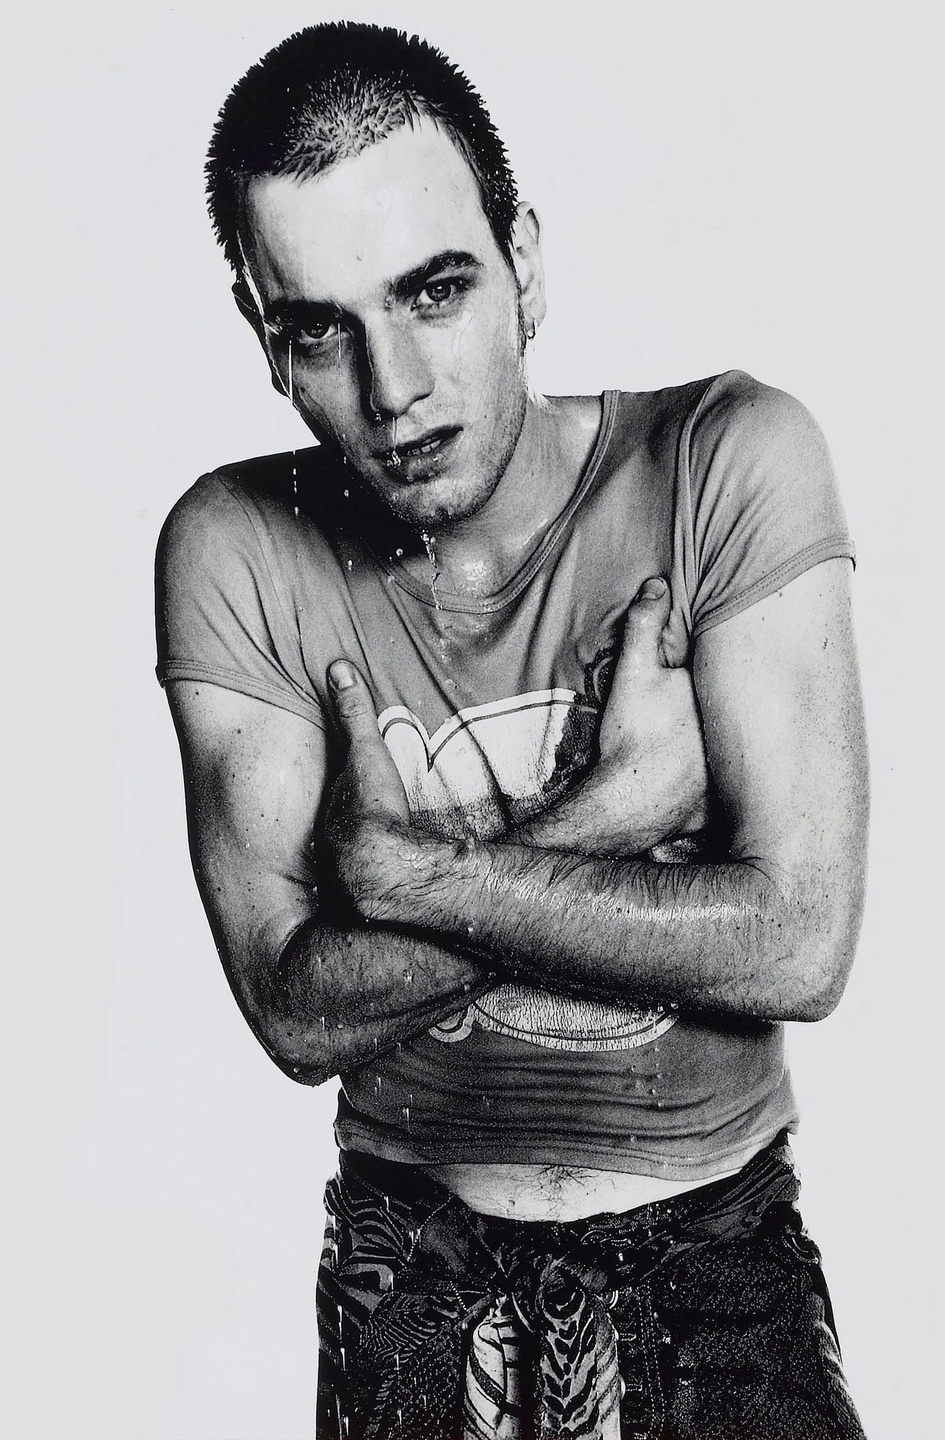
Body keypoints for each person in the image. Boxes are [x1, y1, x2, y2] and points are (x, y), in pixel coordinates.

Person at [156, 21, 869, 1439]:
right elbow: (295, 1008)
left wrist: (410, 882)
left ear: (523, 260)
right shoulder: (234, 544)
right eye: (321, 329)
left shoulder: (725, 459)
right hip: (409, 1273)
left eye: (435, 292)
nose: (395, 387)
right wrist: (610, 814)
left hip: (713, 1264)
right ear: (263, 335)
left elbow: (798, 941)